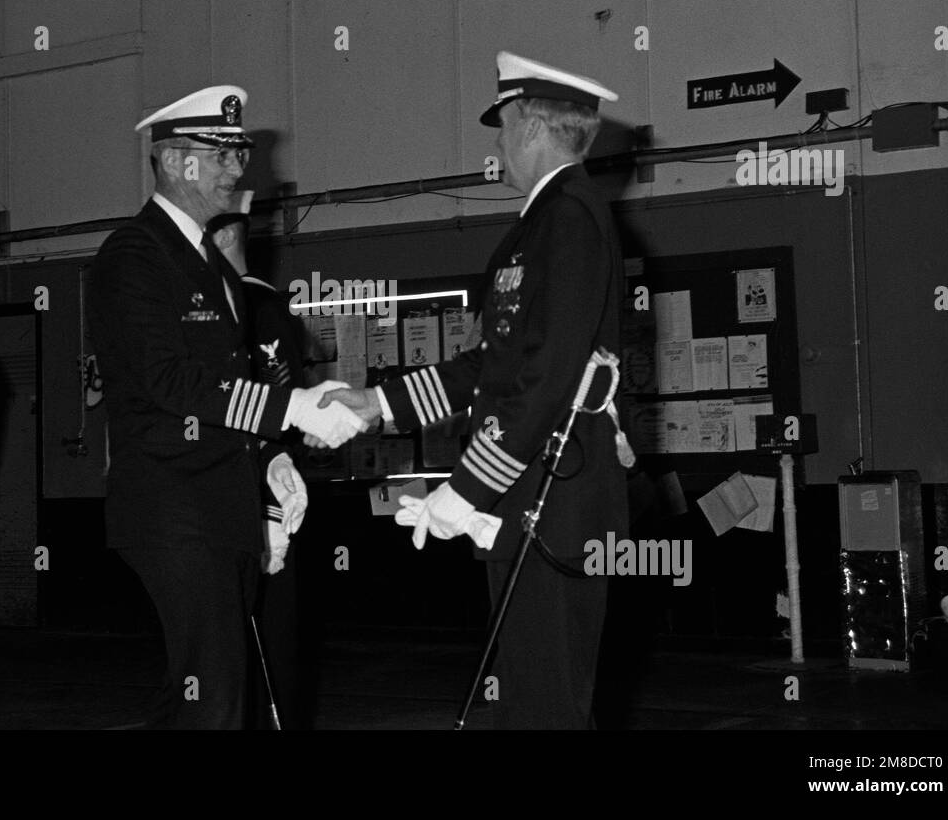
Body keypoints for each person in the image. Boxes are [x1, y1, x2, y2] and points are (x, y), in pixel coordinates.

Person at [322, 52, 631, 729]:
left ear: (529, 128)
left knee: (546, 703)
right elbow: (489, 365)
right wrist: (381, 403)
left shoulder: (569, 217)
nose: (495, 143)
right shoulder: (542, 223)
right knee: (524, 693)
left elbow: (547, 375)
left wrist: (466, 488)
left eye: (502, 125)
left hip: (554, 493)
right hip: (529, 489)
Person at [86, 85, 365, 729]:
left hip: (221, 506)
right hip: (173, 507)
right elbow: (170, 382)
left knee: (214, 693)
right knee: (211, 699)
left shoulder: (208, 260)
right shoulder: (136, 254)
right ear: (176, 160)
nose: (239, 170)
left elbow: (224, 384)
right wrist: (289, 409)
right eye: (223, 156)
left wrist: (269, 462)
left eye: (239, 154)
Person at [210, 212, 310, 729]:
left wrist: (271, 512)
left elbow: (280, 413)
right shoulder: (211, 309)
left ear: (226, 236)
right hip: (220, 503)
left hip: (267, 506)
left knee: (270, 647)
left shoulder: (259, 308)